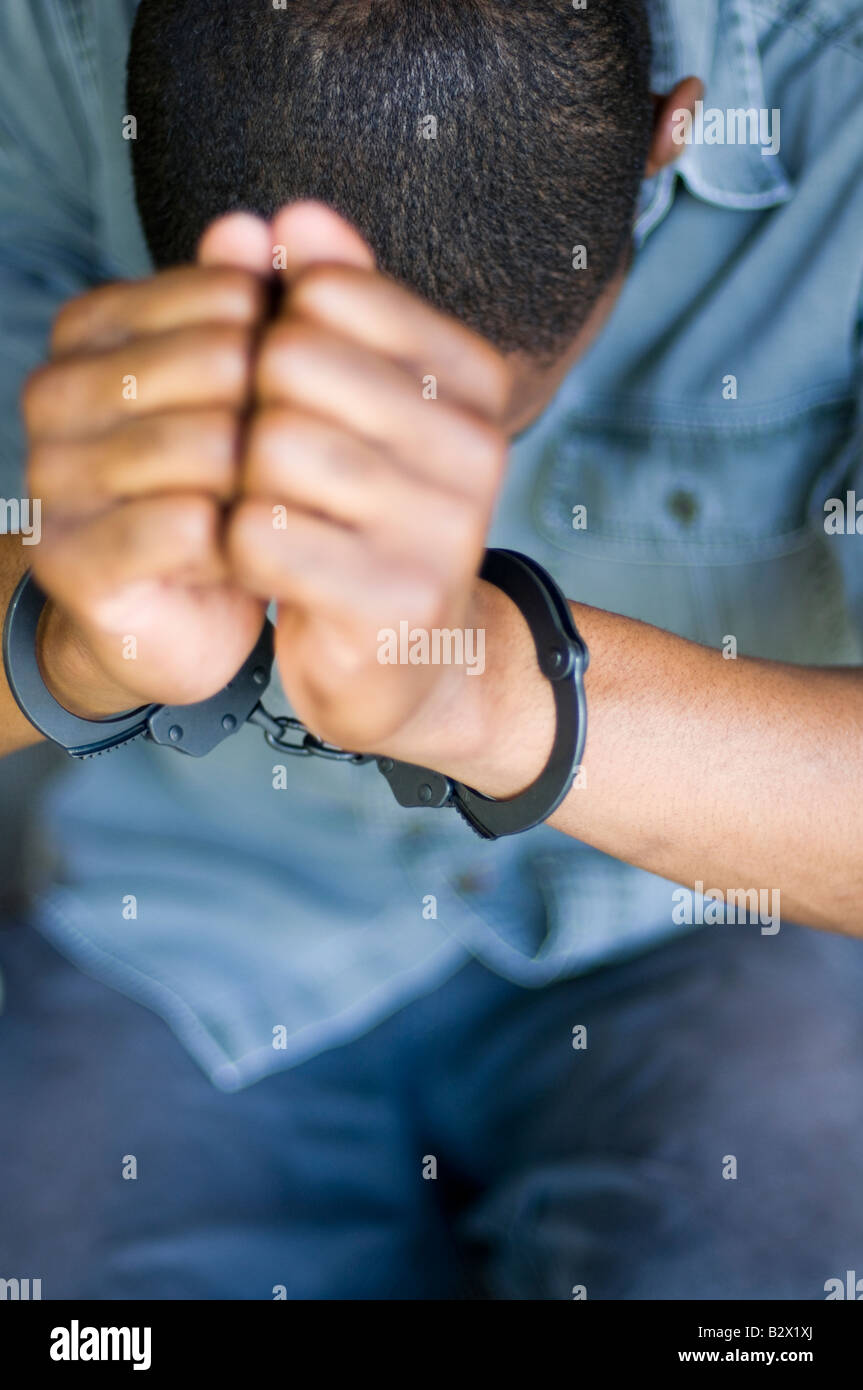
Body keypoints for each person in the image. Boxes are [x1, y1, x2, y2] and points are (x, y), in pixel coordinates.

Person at [0, 0, 862, 1300]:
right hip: (197, 912)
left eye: (486, 419)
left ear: (665, 141)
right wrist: (74, 643)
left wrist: (487, 691)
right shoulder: (34, 49)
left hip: (699, 912)